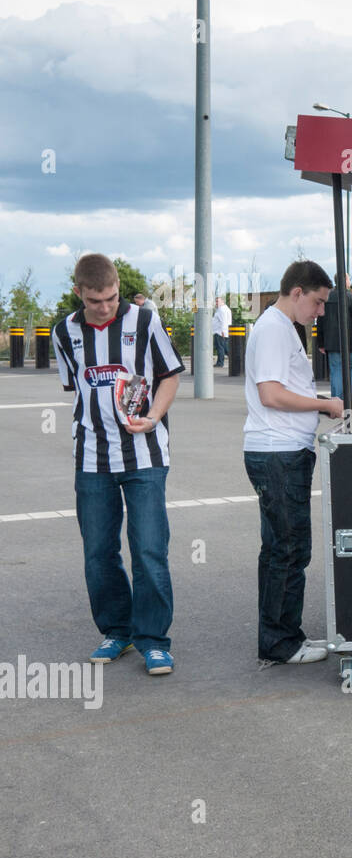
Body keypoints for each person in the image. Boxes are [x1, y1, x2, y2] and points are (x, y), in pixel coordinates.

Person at [53, 253, 184, 675]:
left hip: (145, 456)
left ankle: (153, 640)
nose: (105, 307)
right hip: (91, 457)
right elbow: (75, 387)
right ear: (79, 293)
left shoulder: (144, 321)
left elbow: (170, 375)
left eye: (111, 298)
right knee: (98, 552)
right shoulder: (63, 331)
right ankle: (117, 630)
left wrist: (155, 416)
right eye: (95, 301)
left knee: (148, 548)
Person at [242, 261, 345, 667]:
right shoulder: (272, 328)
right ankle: (282, 641)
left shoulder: (281, 327)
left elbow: (283, 388)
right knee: (289, 549)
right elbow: (271, 394)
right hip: (278, 452)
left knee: (280, 548)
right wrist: (323, 404)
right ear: (297, 292)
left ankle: (279, 634)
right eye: (318, 302)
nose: (320, 312)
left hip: (281, 450)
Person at [319, 279, 352, 405]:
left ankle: (336, 401)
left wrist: (321, 342)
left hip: (332, 343)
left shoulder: (327, 298)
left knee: (336, 370)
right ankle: (347, 398)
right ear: (346, 282)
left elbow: (320, 320)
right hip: (351, 343)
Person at [213, 295, 232, 367]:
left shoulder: (221, 310)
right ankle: (233, 360)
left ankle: (220, 363)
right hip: (222, 331)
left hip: (220, 332)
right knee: (225, 348)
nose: (216, 303)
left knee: (220, 348)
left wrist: (223, 332)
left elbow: (223, 321)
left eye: (218, 301)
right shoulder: (226, 309)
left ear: (223, 301)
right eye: (216, 301)